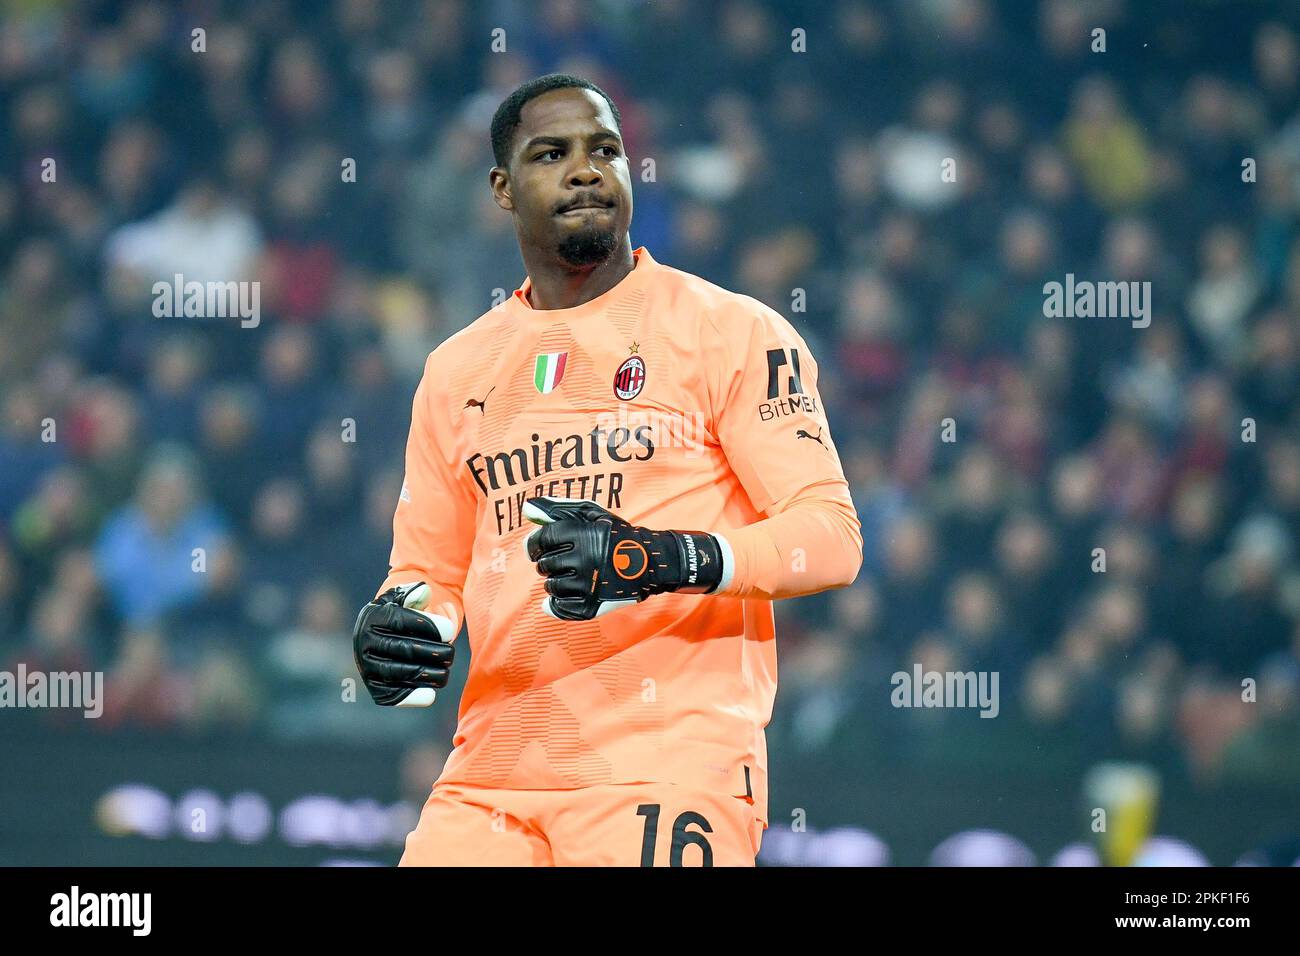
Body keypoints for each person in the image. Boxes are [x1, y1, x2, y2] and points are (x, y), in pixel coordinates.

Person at [352, 73, 862, 866]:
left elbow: (831, 539)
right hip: (491, 776)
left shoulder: (731, 331)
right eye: (551, 154)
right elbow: (428, 572)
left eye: (605, 150)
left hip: (669, 762)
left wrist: (657, 558)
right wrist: (405, 627)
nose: (585, 170)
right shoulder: (456, 371)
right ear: (502, 189)